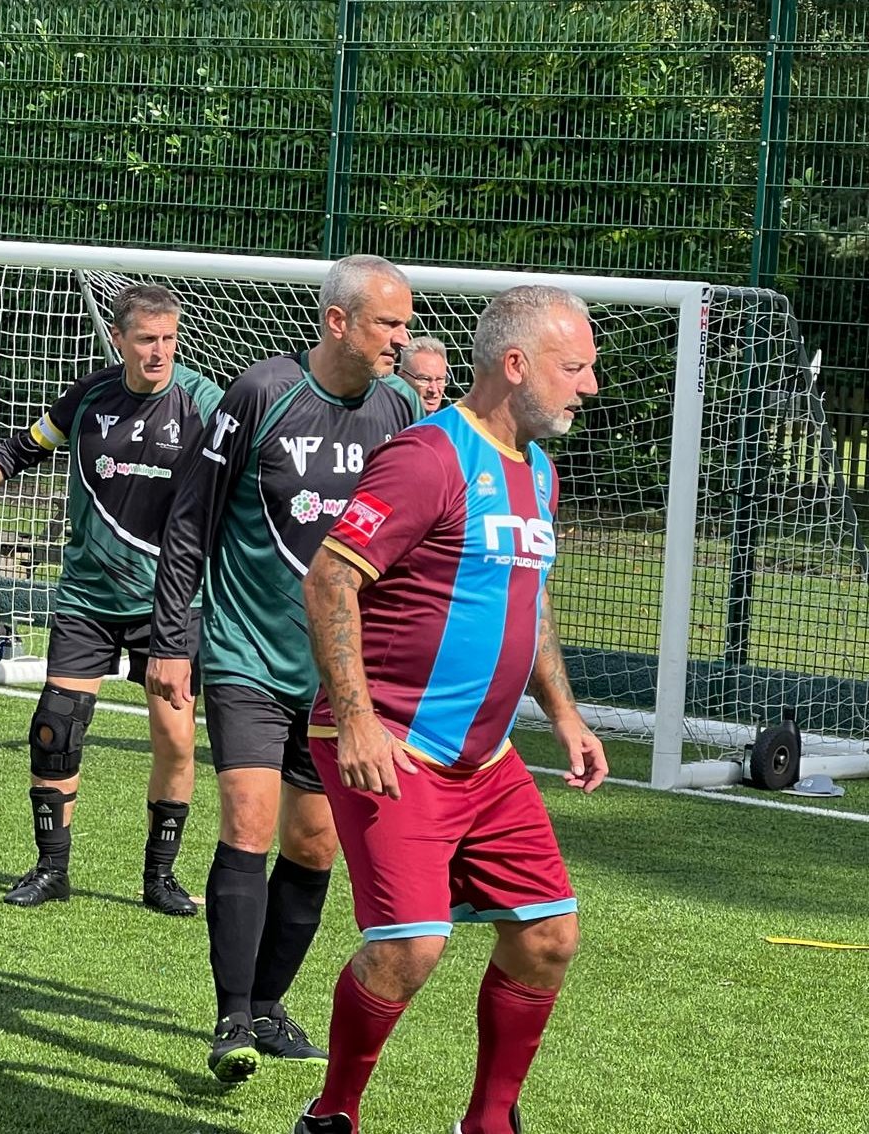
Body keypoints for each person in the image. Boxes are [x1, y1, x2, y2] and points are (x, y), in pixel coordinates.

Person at [292, 285, 608, 1134]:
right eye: (573, 367)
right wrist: (355, 719)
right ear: (516, 366)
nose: (589, 386)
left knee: (548, 936)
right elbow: (328, 577)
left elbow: (525, 604)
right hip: (396, 745)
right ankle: (334, 1111)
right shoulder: (428, 457)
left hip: (487, 761)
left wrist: (565, 715)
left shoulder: (537, 469)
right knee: (410, 947)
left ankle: (490, 1122)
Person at [146, 255, 423, 1082]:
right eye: (389, 325)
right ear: (338, 321)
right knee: (249, 824)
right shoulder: (261, 393)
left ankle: (267, 1005)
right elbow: (190, 516)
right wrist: (172, 638)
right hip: (246, 652)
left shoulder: (402, 409)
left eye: (407, 326)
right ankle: (230, 1018)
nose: (401, 343)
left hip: (342, 677)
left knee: (315, 846)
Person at [0, 284, 222, 916]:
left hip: (169, 602)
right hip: (88, 596)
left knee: (174, 739)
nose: (160, 351)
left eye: (169, 339)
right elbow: (16, 454)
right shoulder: (90, 397)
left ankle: (160, 877)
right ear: (119, 339)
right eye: (147, 339)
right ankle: (51, 869)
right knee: (54, 730)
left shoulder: (202, 403)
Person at [397, 335, 451, 413]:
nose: (434, 390)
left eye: (440, 380)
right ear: (402, 378)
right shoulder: (387, 420)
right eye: (424, 379)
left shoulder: (452, 423)